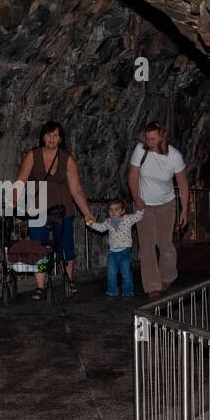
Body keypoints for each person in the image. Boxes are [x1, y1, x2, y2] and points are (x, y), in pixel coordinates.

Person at [13, 121, 95, 300]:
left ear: (60, 138)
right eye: (49, 134)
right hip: (38, 209)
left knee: (66, 245)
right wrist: (12, 201)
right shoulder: (33, 156)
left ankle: (69, 279)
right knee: (38, 247)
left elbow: (76, 189)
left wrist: (86, 211)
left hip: (62, 209)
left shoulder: (67, 159)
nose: (52, 138)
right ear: (43, 136)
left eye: (56, 135)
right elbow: (20, 181)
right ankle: (40, 286)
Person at [128, 121, 188, 299]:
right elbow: (133, 174)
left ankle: (168, 275)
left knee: (165, 244)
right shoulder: (141, 150)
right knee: (146, 245)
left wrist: (184, 210)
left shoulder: (174, 156)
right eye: (147, 138)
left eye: (153, 139)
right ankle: (152, 285)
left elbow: (183, 184)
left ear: (161, 137)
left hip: (166, 204)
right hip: (144, 204)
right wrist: (135, 197)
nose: (150, 142)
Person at [88, 199, 143, 298]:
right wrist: (91, 223)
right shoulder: (108, 221)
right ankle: (112, 291)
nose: (113, 212)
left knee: (126, 273)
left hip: (125, 252)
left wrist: (141, 207)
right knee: (111, 273)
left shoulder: (127, 219)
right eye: (111, 210)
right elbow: (101, 228)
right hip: (112, 253)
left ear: (122, 211)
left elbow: (138, 216)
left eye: (116, 209)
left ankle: (128, 291)